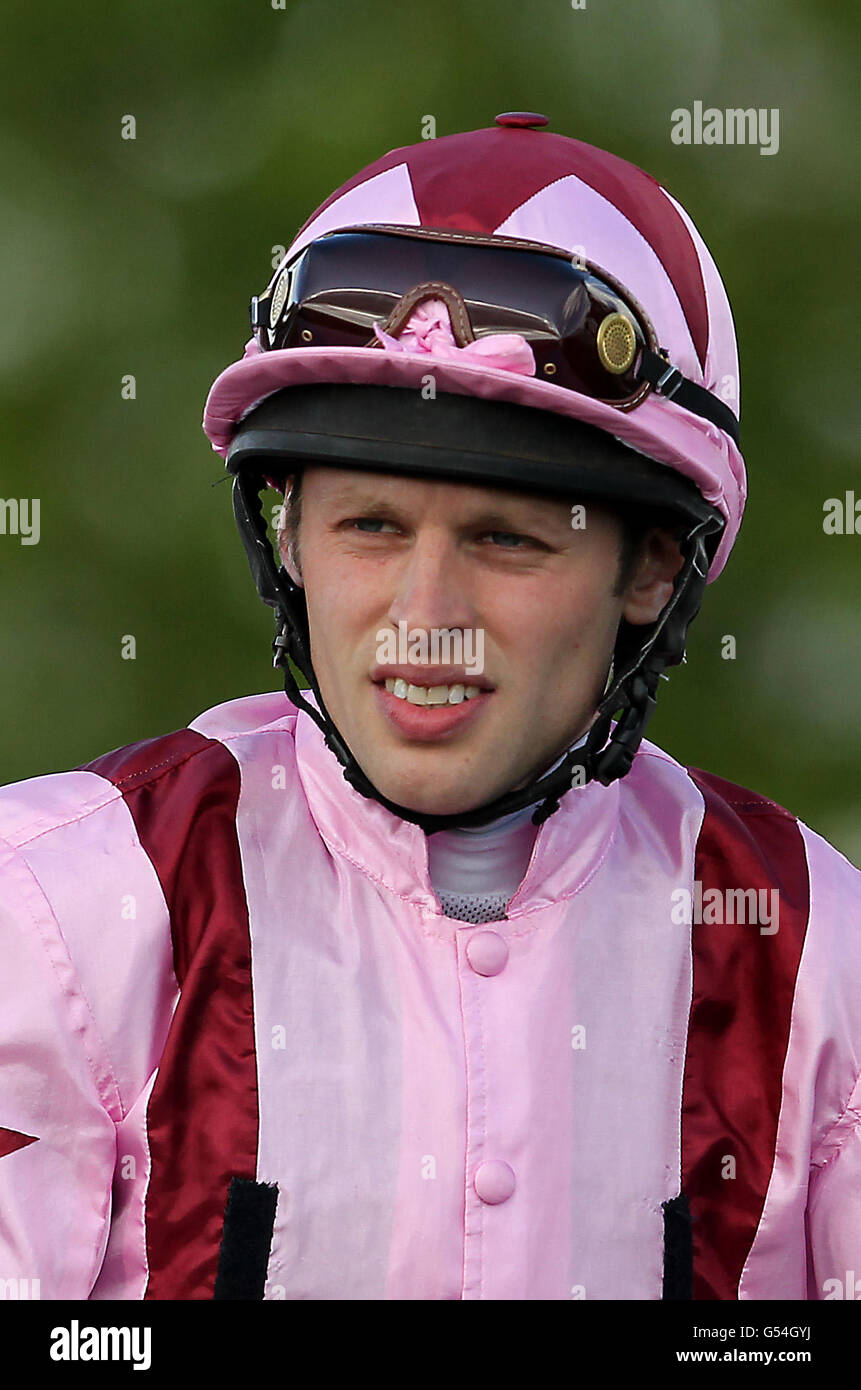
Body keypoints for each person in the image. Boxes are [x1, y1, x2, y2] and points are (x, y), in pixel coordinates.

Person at [1, 114, 859, 1303]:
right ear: (288, 536)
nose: (425, 614)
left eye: (506, 539)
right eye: (371, 526)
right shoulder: (52, 911)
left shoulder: (820, 954)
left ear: (655, 568)